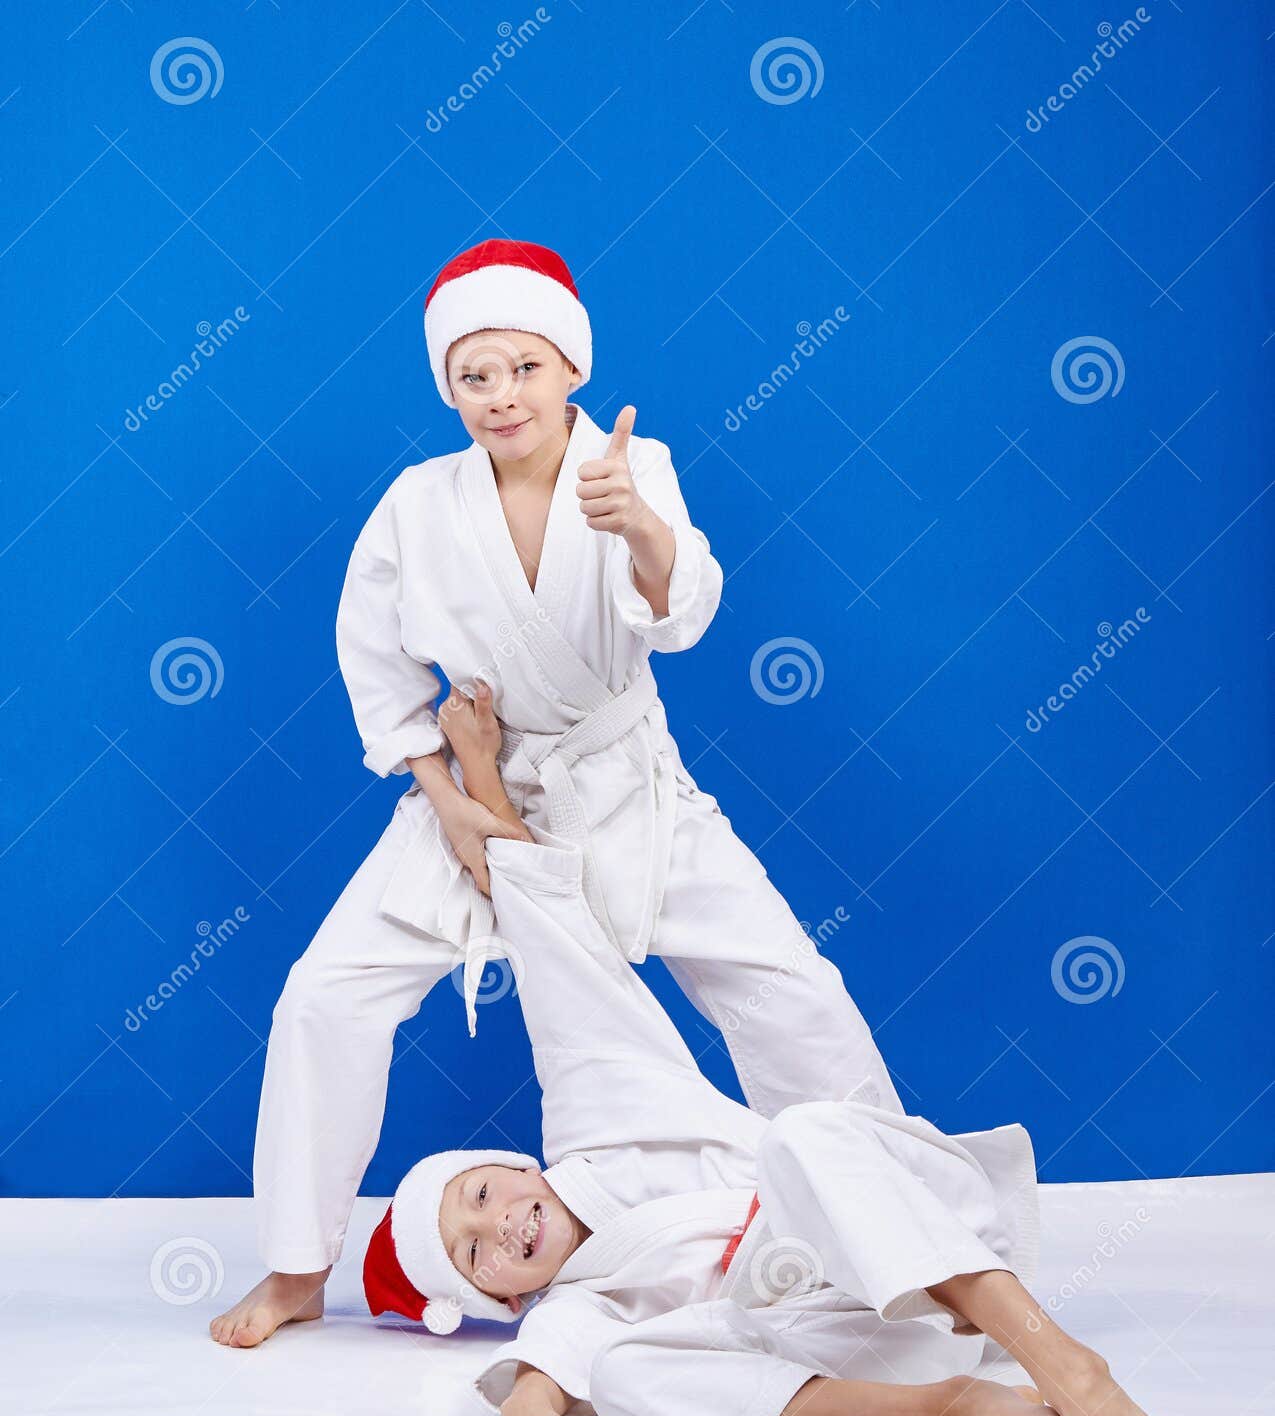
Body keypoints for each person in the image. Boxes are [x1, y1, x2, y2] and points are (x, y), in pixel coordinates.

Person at [211, 239, 901, 1348]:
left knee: (791, 991)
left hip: (624, 777)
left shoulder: (631, 466)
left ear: (569, 368)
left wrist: (638, 526)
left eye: (523, 367)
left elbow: (682, 613)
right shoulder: (416, 505)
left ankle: (906, 1232)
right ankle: (296, 1267)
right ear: (449, 387)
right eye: (473, 375)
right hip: (475, 773)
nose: (500, 396)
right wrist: (452, 801)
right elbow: (381, 672)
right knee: (325, 995)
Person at [362, 689, 1189, 1416]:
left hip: (924, 1244)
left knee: (803, 1133)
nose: (497, 1227)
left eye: (477, 1198)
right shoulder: (580, 1301)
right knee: (619, 1383)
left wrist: (482, 788)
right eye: (474, 1256)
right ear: (501, 1303)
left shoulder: (593, 1115)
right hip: (862, 1344)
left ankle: (1067, 1370)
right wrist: (528, 1402)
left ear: (512, 1165)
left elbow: (553, 944)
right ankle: (962, 1409)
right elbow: (556, 1356)